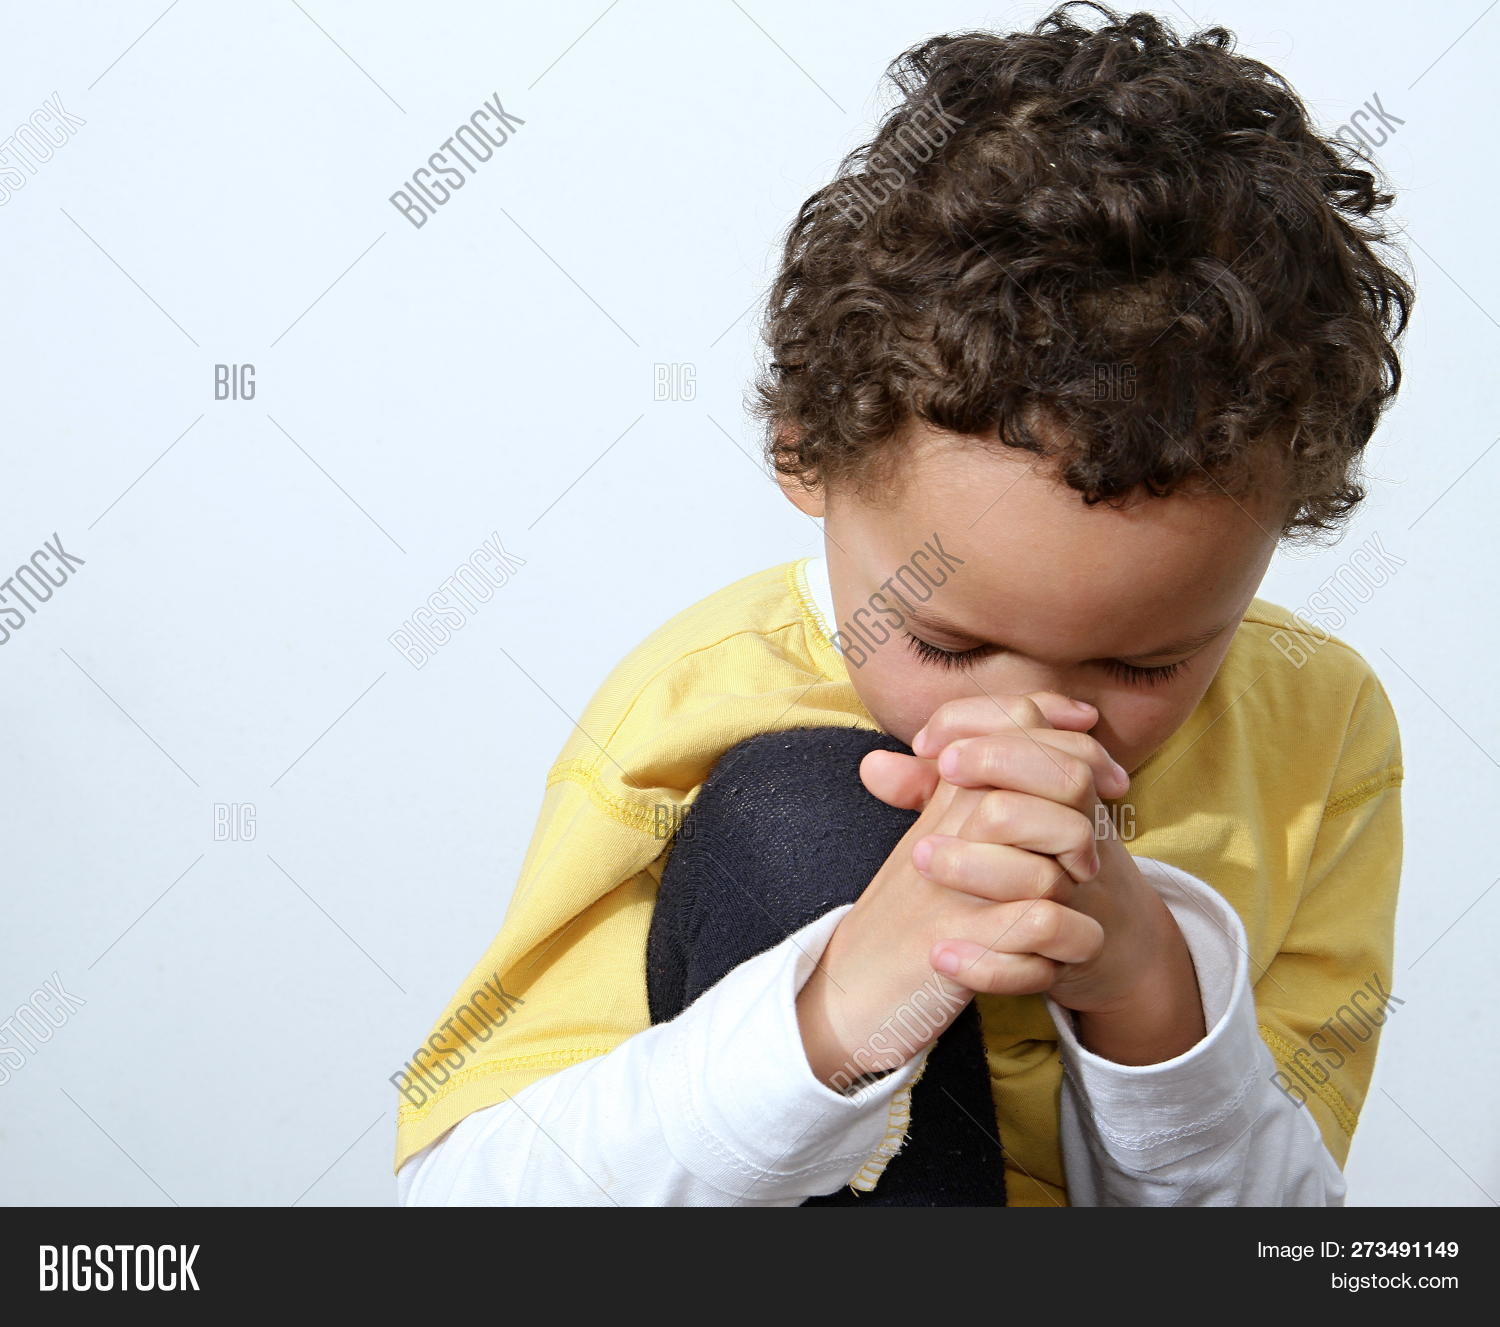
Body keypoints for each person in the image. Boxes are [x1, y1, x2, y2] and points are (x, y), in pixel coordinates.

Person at [394, 2, 1411, 1206]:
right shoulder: (691, 701)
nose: (1026, 726)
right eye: (946, 640)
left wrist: (1150, 989)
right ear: (806, 454)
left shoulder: (1320, 732)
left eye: (1143, 668)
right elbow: (467, 1201)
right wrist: (838, 1009)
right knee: (804, 810)